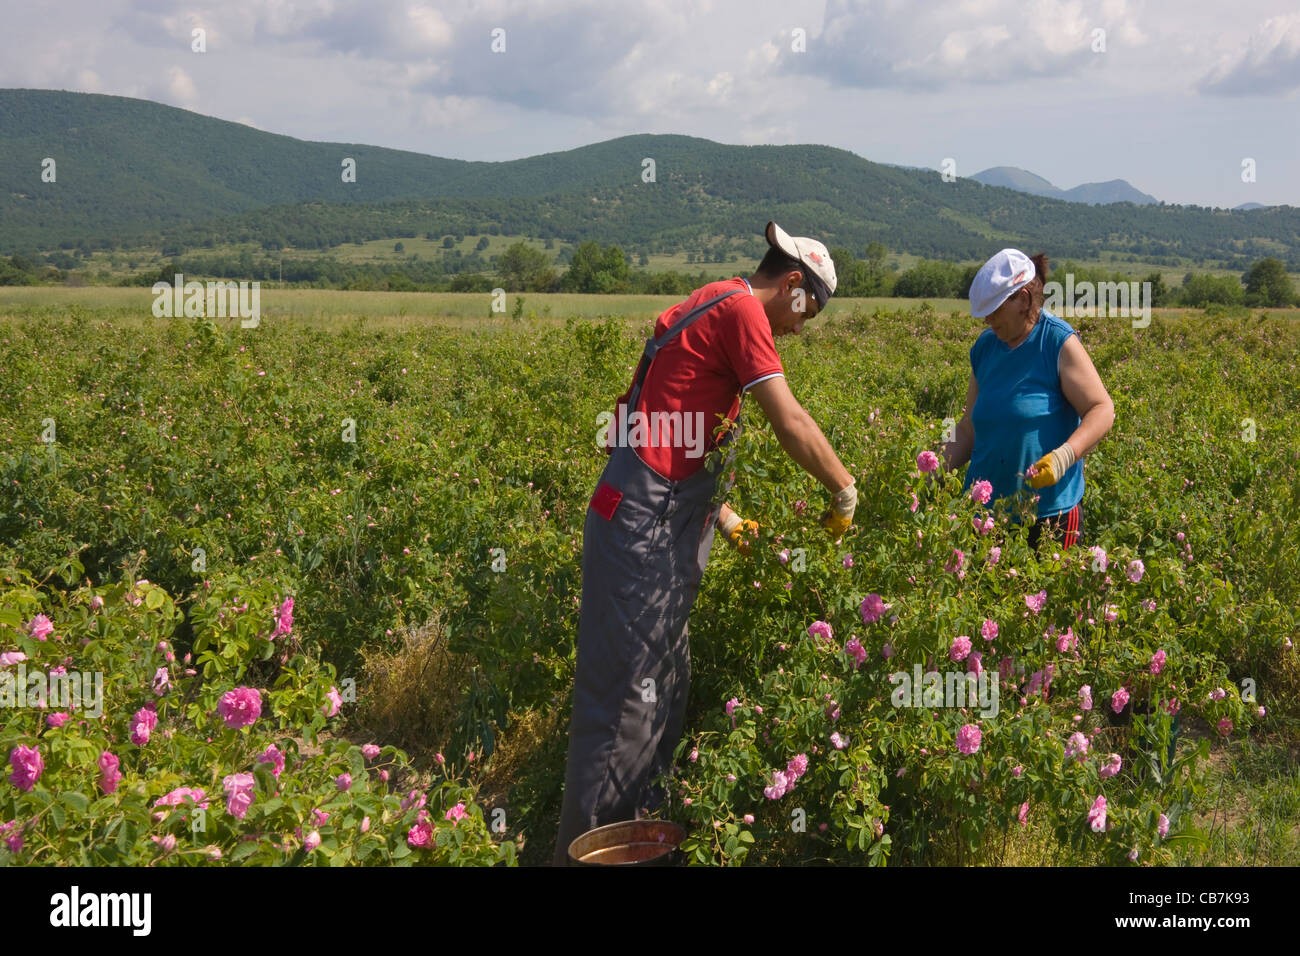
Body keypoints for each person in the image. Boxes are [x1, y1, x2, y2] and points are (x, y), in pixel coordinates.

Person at [552, 221, 858, 865]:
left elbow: (672, 423)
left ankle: (645, 842)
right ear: (793, 283)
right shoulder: (744, 309)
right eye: (808, 312)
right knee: (626, 704)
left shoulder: (710, 298)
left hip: (649, 513)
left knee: (663, 685)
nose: (801, 328)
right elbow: (791, 420)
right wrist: (843, 488)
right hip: (642, 525)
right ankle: (597, 853)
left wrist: (721, 516)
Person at [942, 248, 1115, 549]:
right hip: (986, 515)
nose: (989, 321)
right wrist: (931, 471)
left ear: (1023, 299)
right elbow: (969, 427)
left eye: (995, 311)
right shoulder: (985, 348)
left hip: (1049, 519)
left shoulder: (1057, 342)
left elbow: (1102, 409)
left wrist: (1064, 457)